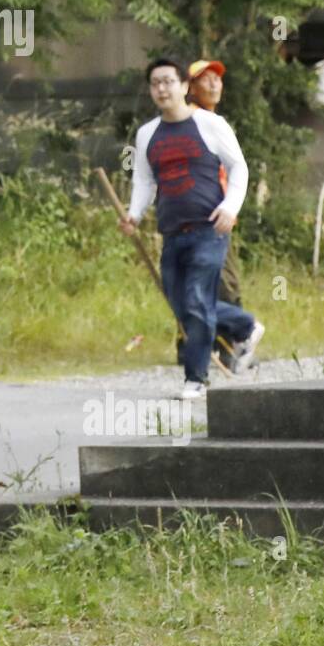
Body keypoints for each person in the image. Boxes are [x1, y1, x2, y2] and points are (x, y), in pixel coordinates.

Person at [122, 57, 247, 399]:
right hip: (172, 232)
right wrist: (134, 215)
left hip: (210, 228)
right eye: (155, 83)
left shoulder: (210, 124)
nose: (161, 89)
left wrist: (230, 207)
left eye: (168, 81)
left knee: (195, 300)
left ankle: (196, 379)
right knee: (181, 304)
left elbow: (239, 168)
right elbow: (144, 182)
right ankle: (244, 325)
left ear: (183, 86)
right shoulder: (147, 133)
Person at [186, 58, 265, 371]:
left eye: (217, 78)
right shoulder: (192, 122)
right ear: (190, 88)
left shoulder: (214, 122)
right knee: (220, 283)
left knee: (214, 282)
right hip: (201, 216)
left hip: (217, 214)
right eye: (206, 79)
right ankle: (232, 340)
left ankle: (219, 345)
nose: (215, 84)